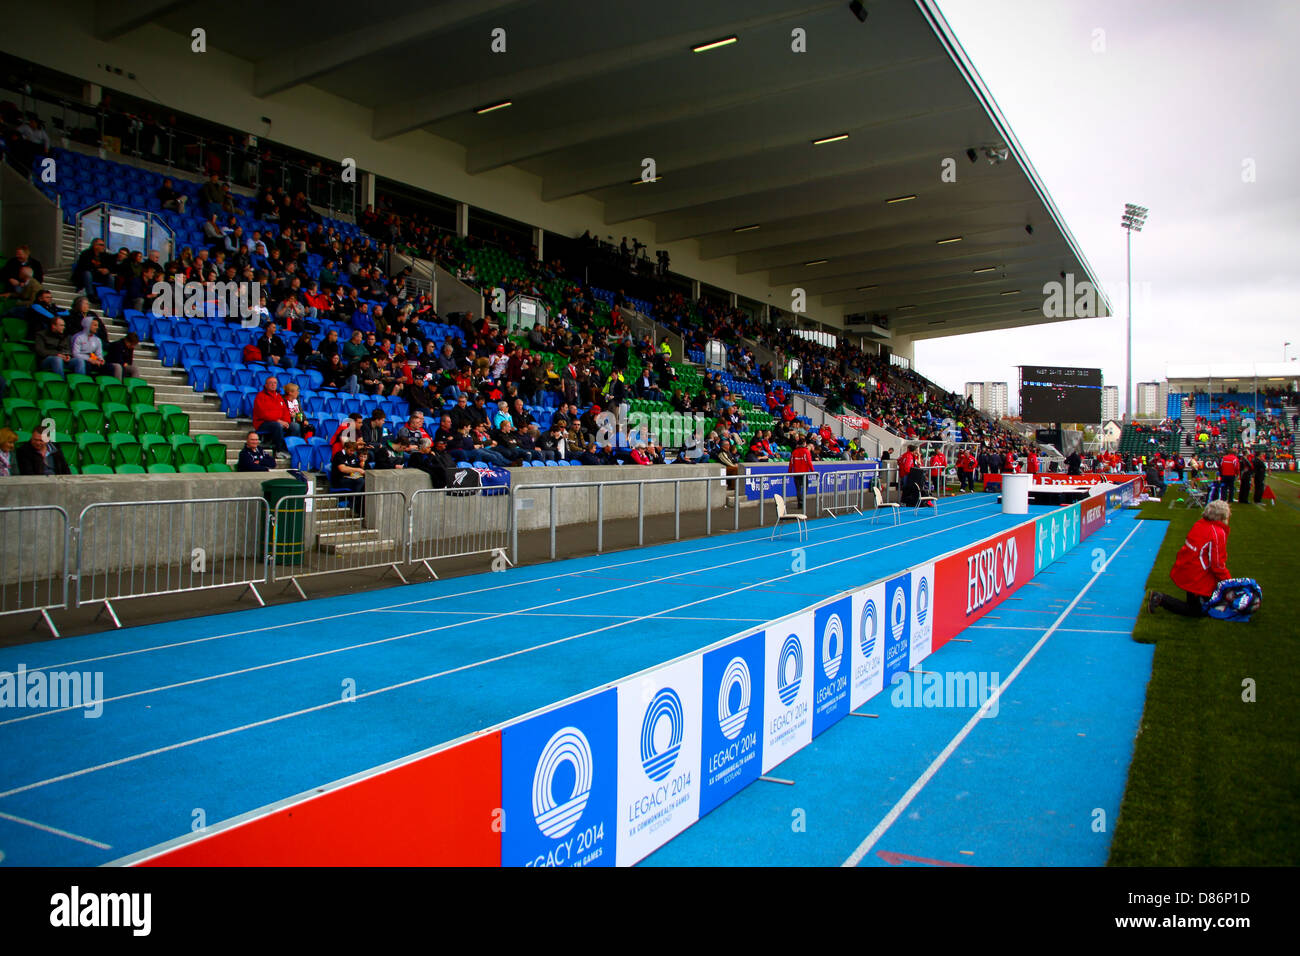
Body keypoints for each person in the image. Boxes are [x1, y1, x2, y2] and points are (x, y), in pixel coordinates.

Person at [1148, 499, 1233, 617]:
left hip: (1187, 568)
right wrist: (1229, 582)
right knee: (1197, 611)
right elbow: (1217, 564)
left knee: (1205, 602)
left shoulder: (1200, 524)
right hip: (1197, 575)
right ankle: (1161, 599)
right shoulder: (1217, 532)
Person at [252, 377, 292, 455]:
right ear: (266, 385)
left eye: (275, 383)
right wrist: (278, 420)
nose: (273, 385)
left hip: (278, 422)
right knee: (277, 425)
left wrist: (286, 421)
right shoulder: (260, 396)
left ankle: (290, 449)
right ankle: (279, 450)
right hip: (262, 423)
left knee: (294, 426)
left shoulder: (279, 397)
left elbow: (286, 411)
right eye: (271, 383)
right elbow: (263, 414)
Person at [788, 436, 813, 510]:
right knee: (805, 488)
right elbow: (809, 462)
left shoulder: (794, 451)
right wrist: (813, 471)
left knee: (798, 489)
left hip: (796, 473)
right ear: (804, 443)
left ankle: (800, 502)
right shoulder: (806, 451)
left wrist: (790, 472)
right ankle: (802, 500)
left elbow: (791, 463)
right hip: (804, 473)